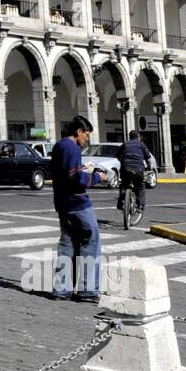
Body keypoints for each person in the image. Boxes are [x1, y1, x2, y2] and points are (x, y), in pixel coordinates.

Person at [50, 115, 107, 302]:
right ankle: (88, 290)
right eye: (87, 135)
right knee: (91, 242)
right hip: (78, 203)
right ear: (79, 132)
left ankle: (62, 289)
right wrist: (98, 177)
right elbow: (76, 178)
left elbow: (65, 172)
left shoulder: (59, 145)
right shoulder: (72, 148)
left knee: (68, 244)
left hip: (62, 202)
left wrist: (83, 167)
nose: (87, 139)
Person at [115, 129, 154, 218]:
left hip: (125, 168)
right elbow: (148, 159)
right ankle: (140, 206)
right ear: (138, 137)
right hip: (138, 169)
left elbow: (117, 156)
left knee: (124, 184)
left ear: (130, 137)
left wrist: (123, 161)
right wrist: (149, 167)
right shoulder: (142, 145)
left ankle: (121, 201)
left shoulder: (125, 144)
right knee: (140, 186)